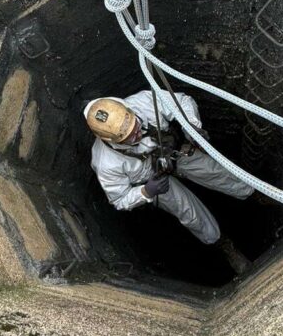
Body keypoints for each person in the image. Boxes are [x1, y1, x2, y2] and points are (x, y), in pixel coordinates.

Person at [83, 89, 254, 272]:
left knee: (217, 172)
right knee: (189, 213)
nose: (137, 134)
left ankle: (254, 192)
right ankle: (222, 244)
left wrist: (191, 127)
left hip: (173, 153)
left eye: (136, 126)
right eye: (129, 137)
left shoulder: (143, 102)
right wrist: (145, 192)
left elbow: (183, 101)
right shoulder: (105, 163)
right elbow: (119, 199)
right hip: (154, 182)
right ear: (112, 140)